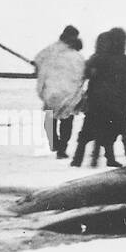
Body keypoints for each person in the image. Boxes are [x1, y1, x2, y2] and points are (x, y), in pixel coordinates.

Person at [72, 28, 126, 168]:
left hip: (97, 104)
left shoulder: (98, 59)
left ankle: (78, 160)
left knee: (86, 134)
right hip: (120, 106)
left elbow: (85, 73)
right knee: (125, 135)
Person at [32, 26, 86, 159]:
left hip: (51, 91)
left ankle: (54, 142)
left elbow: (38, 61)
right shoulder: (77, 56)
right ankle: (62, 148)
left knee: (50, 118)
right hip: (69, 93)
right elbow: (82, 73)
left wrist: (39, 68)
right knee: (66, 120)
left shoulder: (50, 50)